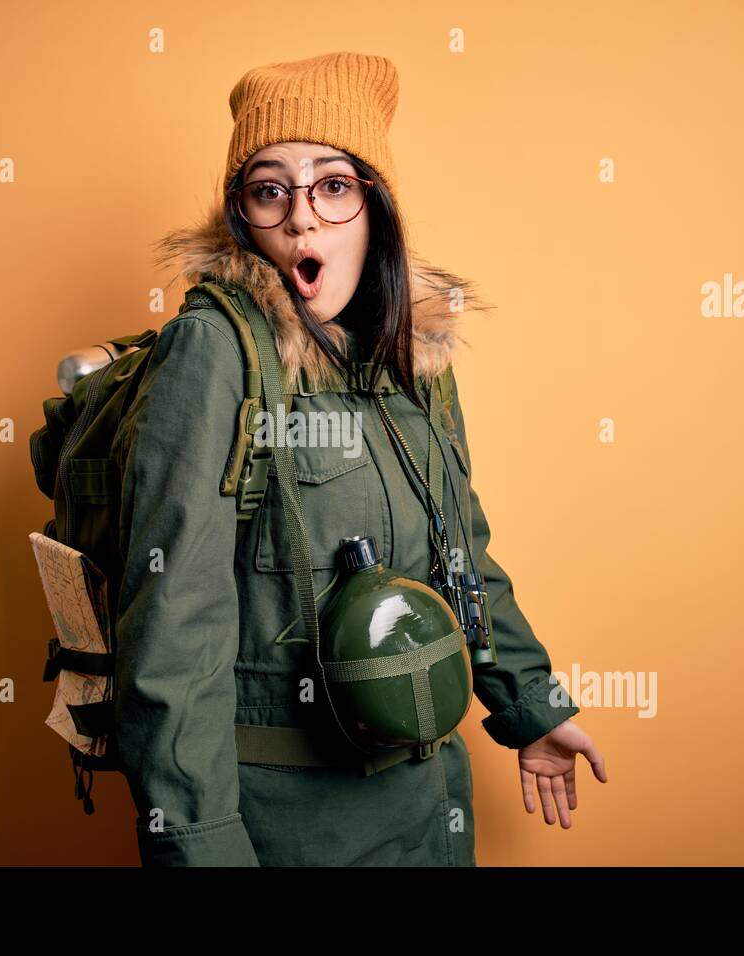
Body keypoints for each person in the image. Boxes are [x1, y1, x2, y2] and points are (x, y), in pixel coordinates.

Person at [112, 51, 607, 866]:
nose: (302, 219)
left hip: (431, 810)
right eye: (269, 189)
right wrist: (199, 846)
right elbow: (172, 632)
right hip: (293, 830)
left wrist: (532, 708)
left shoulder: (417, 360)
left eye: (334, 186)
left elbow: (463, 559)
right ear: (244, 216)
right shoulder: (214, 352)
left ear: (377, 206)